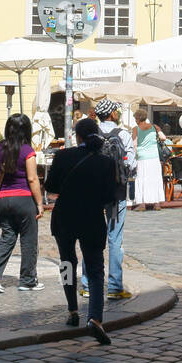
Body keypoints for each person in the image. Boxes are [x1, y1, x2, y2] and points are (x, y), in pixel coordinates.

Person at [45, 118, 119, 344]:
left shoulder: (63, 156)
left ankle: (72, 311)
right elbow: (109, 197)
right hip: (91, 219)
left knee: (67, 263)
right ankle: (95, 318)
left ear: (77, 136)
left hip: (64, 218)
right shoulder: (106, 162)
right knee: (95, 269)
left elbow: (51, 187)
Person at [0, 113, 44, 292]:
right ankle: (28, 280)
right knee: (29, 240)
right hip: (23, 200)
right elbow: (32, 179)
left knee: (7, 238)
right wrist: (39, 203)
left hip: (3, 200)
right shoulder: (27, 150)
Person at [83, 100, 133, 301]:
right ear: (112, 113)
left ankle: (87, 284)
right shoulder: (123, 134)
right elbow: (132, 164)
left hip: (92, 193)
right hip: (116, 193)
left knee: (91, 238)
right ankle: (114, 286)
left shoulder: (89, 134)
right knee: (115, 239)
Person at [132, 109, 167, 211]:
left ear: (138, 118)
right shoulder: (154, 127)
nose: (135, 120)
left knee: (142, 179)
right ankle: (156, 204)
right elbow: (163, 138)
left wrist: (134, 156)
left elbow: (134, 144)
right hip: (154, 157)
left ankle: (142, 204)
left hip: (142, 157)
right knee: (155, 178)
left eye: (135, 118)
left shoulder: (136, 128)